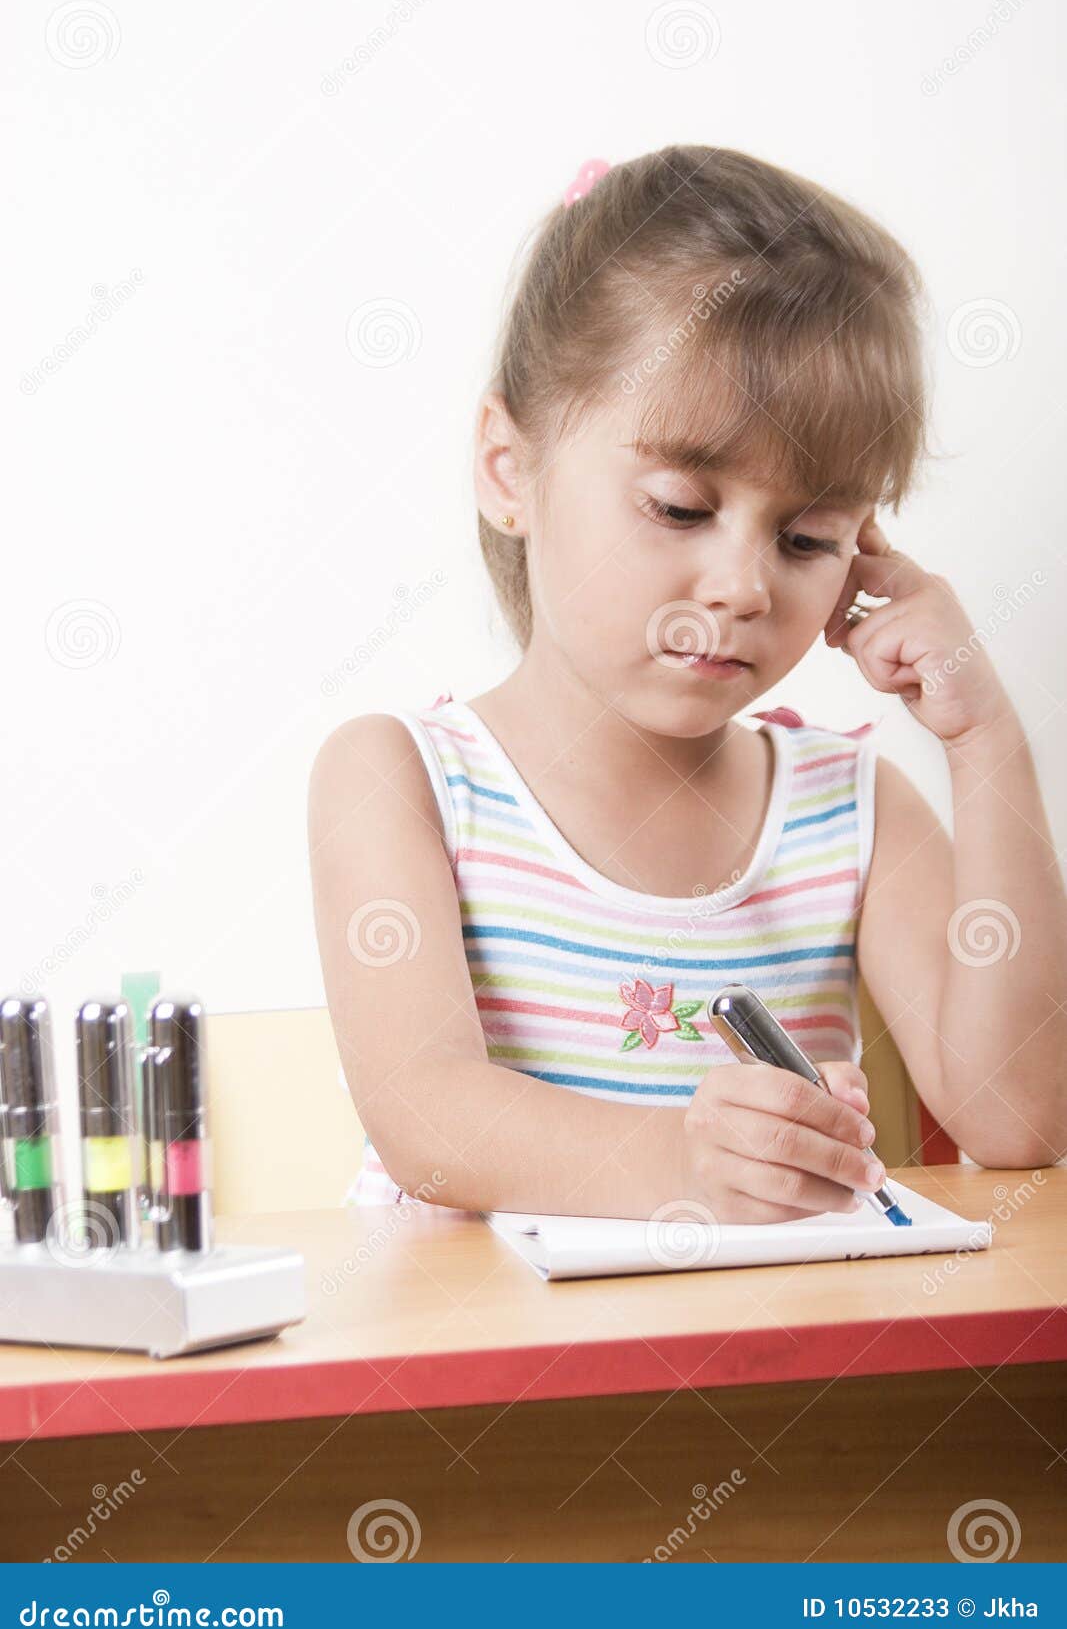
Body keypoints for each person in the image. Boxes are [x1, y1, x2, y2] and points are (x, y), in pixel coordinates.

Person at [309, 145, 1066, 1223]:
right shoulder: (398, 779)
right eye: (677, 506)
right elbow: (430, 1120)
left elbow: (1016, 1119)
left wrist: (983, 738)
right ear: (508, 469)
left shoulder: (849, 814)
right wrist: (685, 1162)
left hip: (770, 1378)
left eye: (807, 536)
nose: (742, 584)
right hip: (487, 1378)